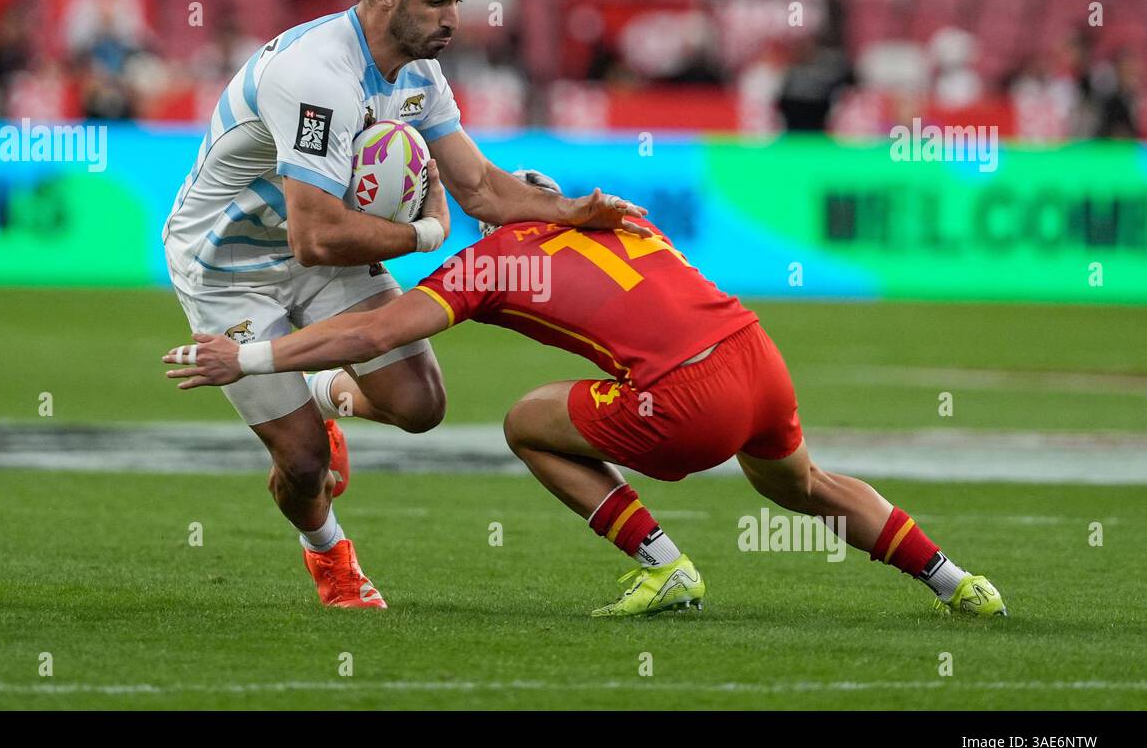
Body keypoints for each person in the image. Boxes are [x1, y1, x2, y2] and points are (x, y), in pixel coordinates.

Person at [163, 170, 1009, 619]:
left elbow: (379, 333)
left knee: (526, 423)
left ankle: (664, 567)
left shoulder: (490, 262)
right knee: (806, 487)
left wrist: (257, 357)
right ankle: (956, 581)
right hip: (756, 356)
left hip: (686, 398)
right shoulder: (619, 218)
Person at [162, 0, 646, 609]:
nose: (455, 18)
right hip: (228, 260)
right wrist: (426, 234)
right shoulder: (315, 75)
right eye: (438, 0)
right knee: (303, 464)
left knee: (420, 406)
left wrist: (572, 212)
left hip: (325, 240)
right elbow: (317, 239)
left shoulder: (419, 74)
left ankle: (325, 391)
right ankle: (330, 555)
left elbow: (477, 186)